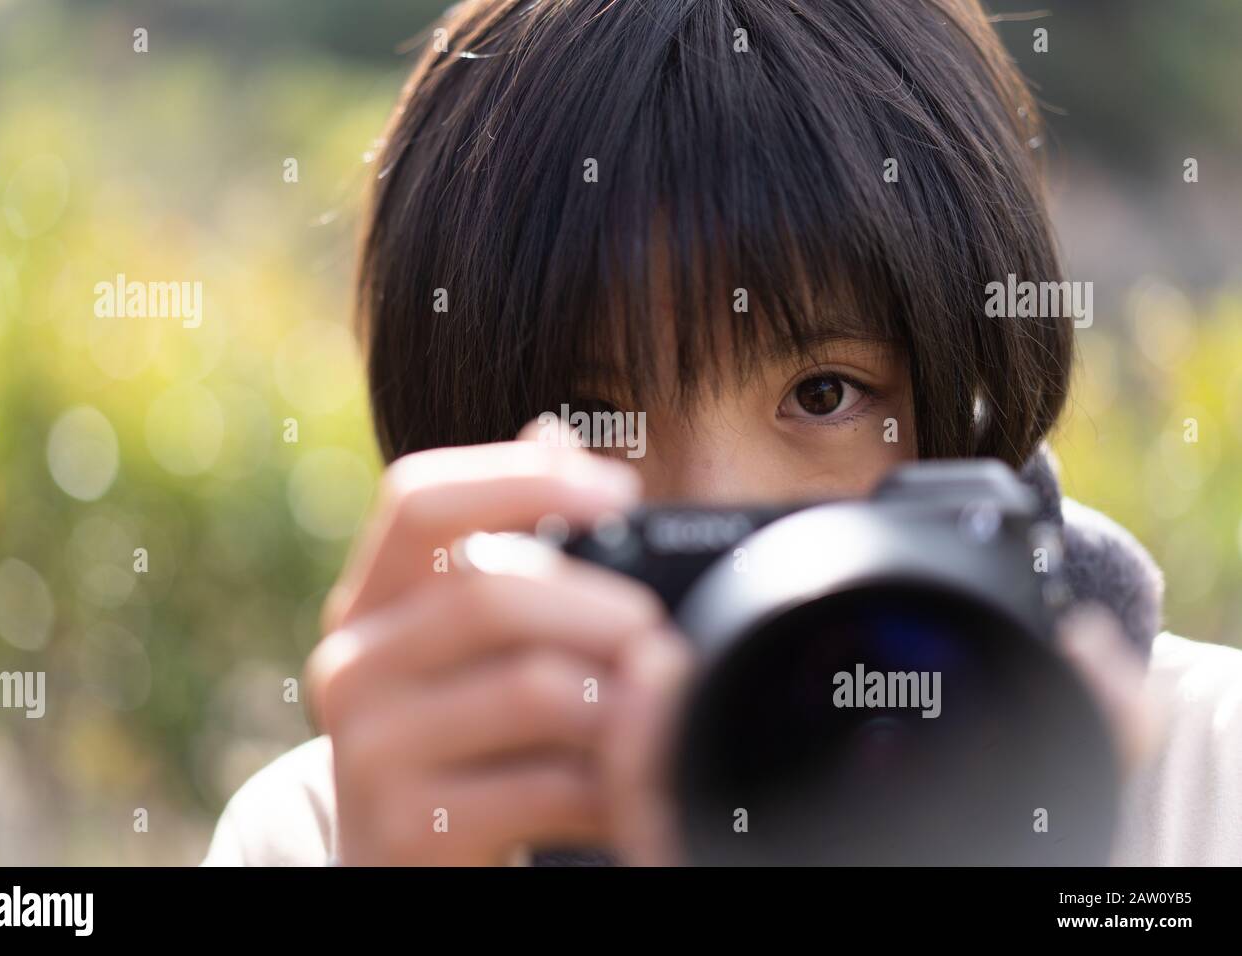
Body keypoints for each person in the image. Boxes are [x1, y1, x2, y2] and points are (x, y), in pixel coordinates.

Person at [203, 0, 1242, 866]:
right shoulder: (332, 833)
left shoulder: (1202, 782)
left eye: (826, 393)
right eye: (591, 420)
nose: (717, 502)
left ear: (970, 415)